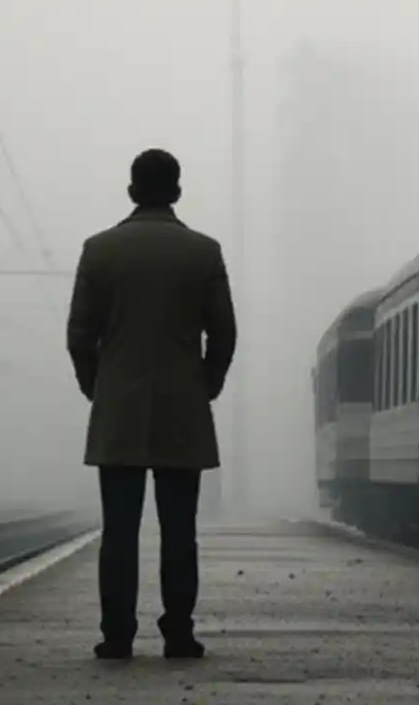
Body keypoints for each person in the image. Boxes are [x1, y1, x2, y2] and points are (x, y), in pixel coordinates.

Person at [67, 148, 237, 660]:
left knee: (118, 531)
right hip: (183, 407)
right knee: (179, 530)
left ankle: (117, 634)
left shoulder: (99, 250)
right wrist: (205, 383)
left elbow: (79, 334)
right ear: (178, 191)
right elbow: (224, 333)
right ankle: (179, 632)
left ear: (131, 191)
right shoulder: (204, 252)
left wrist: (96, 384)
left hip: (118, 405)